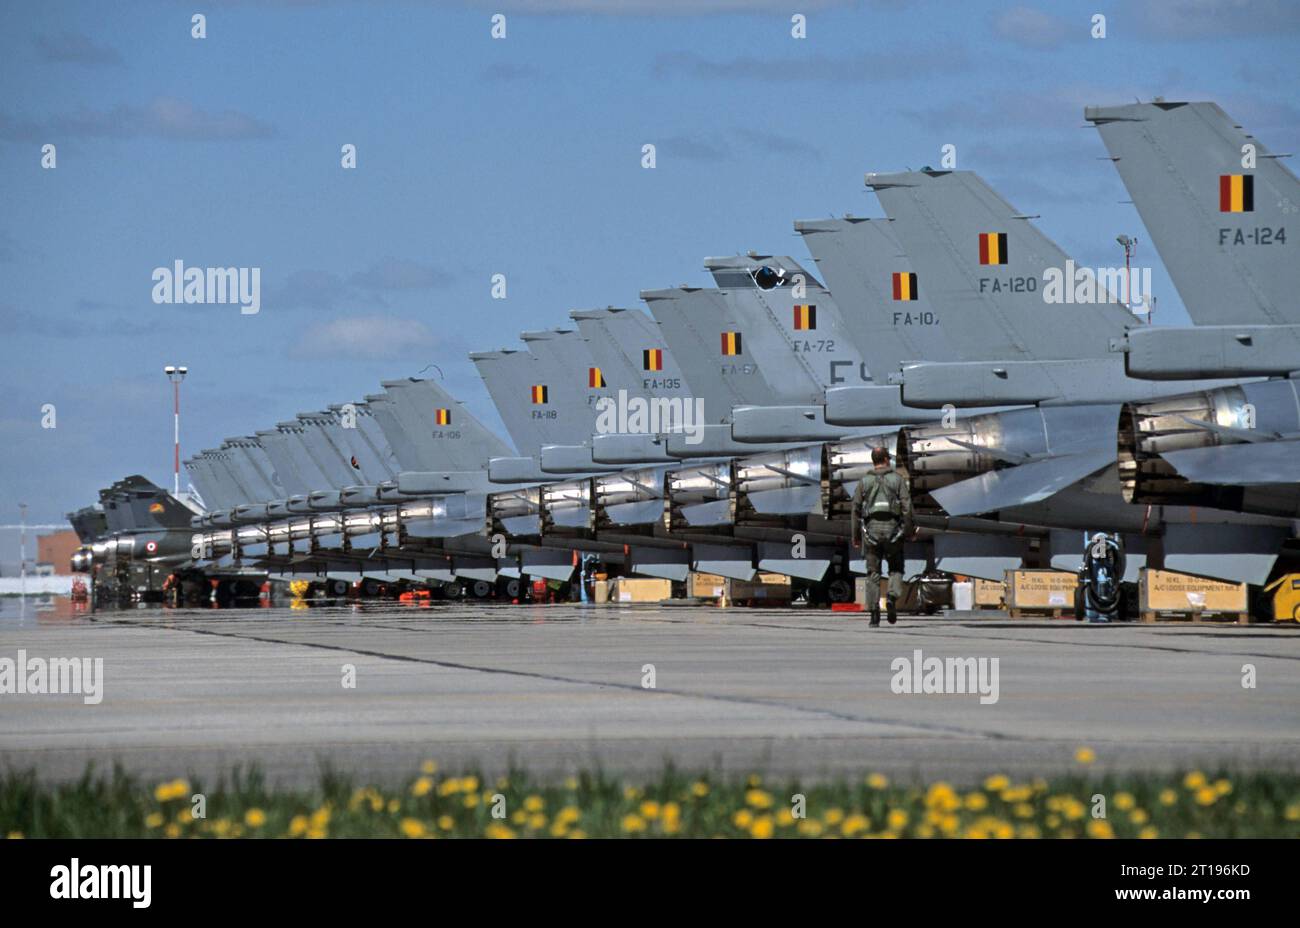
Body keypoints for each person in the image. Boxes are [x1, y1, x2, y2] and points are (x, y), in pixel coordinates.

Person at [852, 446, 914, 626]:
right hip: (893, 531)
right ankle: (892, 599)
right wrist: (909, 530)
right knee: (896, 568)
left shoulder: (864, 482)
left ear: (873, 460)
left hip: (870, 532)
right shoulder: (898, 479)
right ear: (886, 460)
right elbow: (907, 506)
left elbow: (855, 510)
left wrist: (855, 535)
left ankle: (874, 614)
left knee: (873, 573)